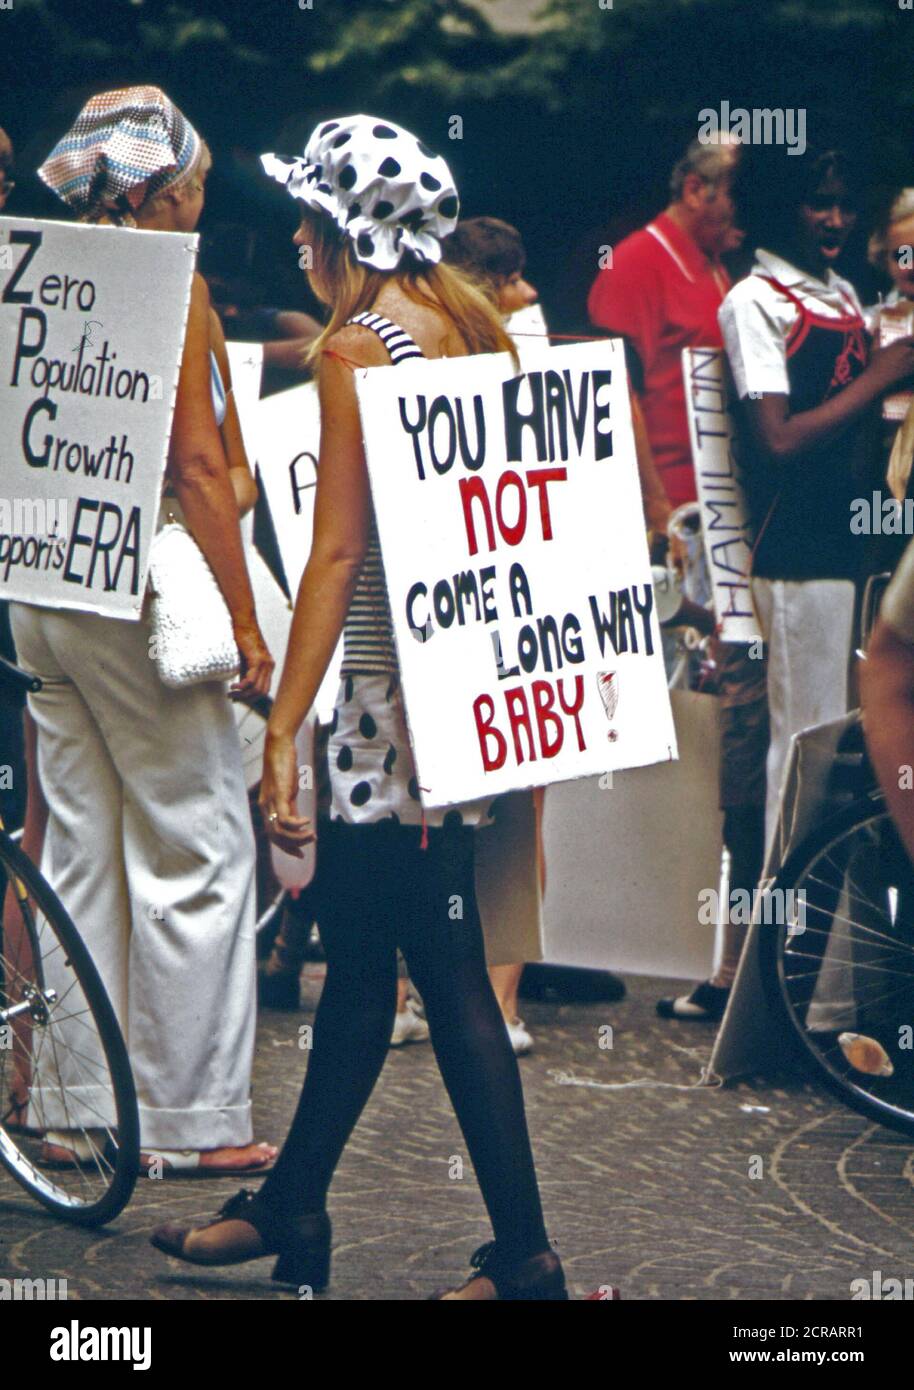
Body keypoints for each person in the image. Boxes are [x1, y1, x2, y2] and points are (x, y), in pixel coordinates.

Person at [151, 115, 569, 1300]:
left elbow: (336, 558)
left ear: (348, 231)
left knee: (434, 970)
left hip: (388, 716)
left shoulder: (361, 351)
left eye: (306, 218)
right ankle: (292, 1208)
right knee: (371, 954)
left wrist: (284, 724)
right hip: (464, 704)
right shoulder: (477, 332)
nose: (292, 237)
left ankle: (527, 1259)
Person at [11, 87, 277, 1175]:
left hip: (39, 581)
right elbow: (198, 467)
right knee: (194, 841)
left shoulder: (27, 269)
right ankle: (187, 1116)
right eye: (198, 191)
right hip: (140, 587)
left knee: (77, 844)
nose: (201, 211)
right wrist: (249, 623)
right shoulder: (174, 286)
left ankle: (75, 1107)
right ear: (163, 195)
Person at [718, 145, 914, 853]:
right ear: (781, 204)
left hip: (852, 544)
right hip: (797, 551)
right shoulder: (755, 300)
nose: (833, 219)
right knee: (802, 744)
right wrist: (880, 376)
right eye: (816, 202)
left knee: (841, 738)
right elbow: (778, 439)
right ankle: (778, 928)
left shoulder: (840, 294)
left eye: (843, 203)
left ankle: (811, 920)